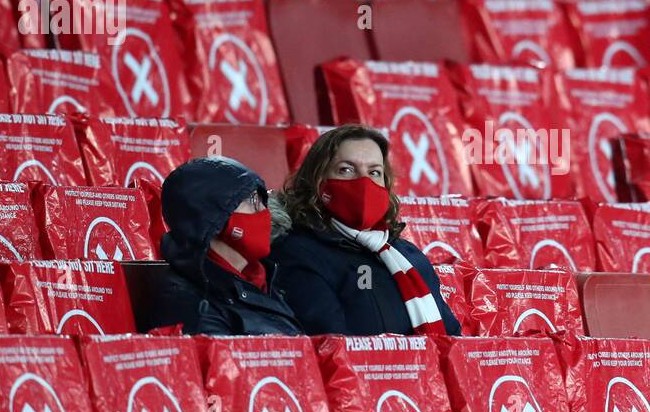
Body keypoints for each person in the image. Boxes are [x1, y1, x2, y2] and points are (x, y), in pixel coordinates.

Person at [269, 124, 462, 337]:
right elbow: (330, 344)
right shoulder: (297, 253)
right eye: (346, 169)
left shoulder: (409, 255)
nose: (364, 182)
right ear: (317, 182)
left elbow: (452, 337)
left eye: (374, 172)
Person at [145, 156, 303, 336]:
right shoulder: (189, 304)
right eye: (251, 201)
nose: (264, 213)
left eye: (262, 200)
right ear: (213, 217)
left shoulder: (261, 280)